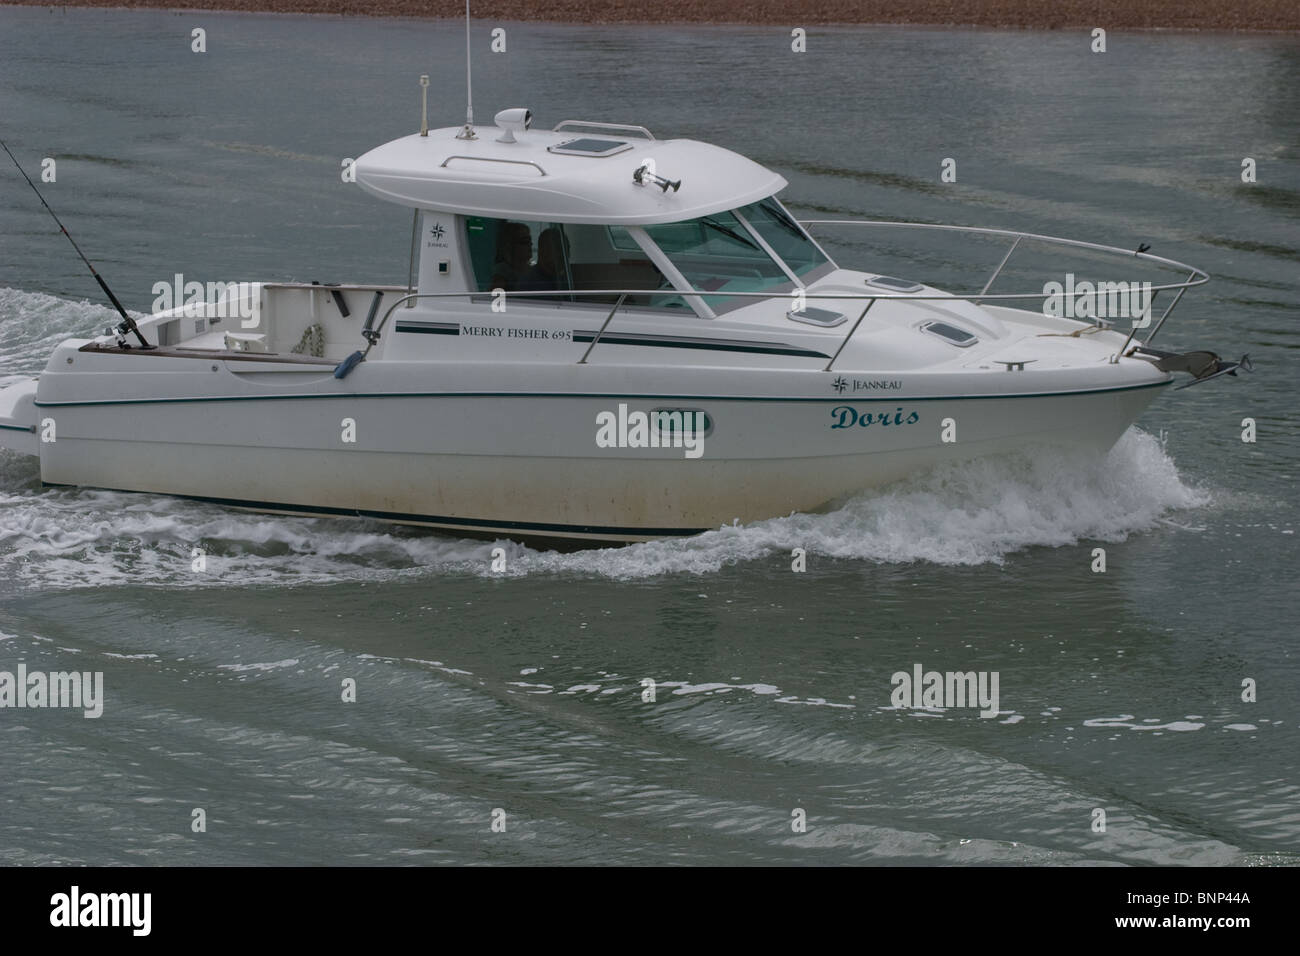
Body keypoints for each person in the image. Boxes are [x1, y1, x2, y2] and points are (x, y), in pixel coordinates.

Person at [489, 222, 533, 291]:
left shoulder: (531, 269)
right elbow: (496, 298)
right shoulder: (503, 272)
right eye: (525, 241)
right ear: (509, 245)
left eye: (530, 241)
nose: (530, 244)